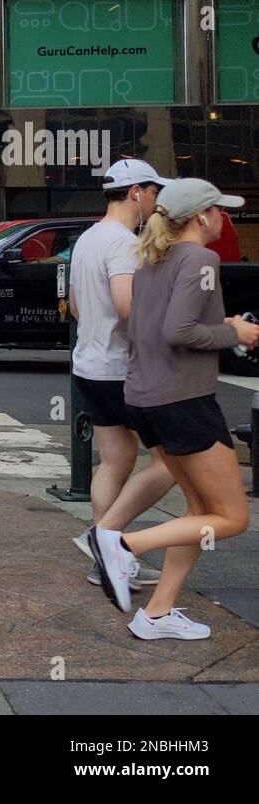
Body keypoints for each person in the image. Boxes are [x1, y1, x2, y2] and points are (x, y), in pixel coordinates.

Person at [89, 178, 256, 640]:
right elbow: (179, 332)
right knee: (233, 517)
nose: (225, 216)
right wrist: (234, 335)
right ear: (201, 217)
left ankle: (157, 614)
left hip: (145, 399)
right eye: (220, 209)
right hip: (184, 402)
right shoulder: (203, 258)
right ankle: (122, 544)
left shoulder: (151, 260)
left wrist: (219, 324)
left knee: (200, 509)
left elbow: (157, 328)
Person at [69, 159, 175, 592]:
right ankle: (110, 540)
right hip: (122, 369)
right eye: (154, 191)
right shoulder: (123, 243)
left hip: (89, 364)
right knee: (171, 462)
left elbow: (76, 306)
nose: (156, 200)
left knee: (116, 460)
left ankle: (107, 563)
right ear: (136, 193)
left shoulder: (87, 240)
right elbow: (129, 307)